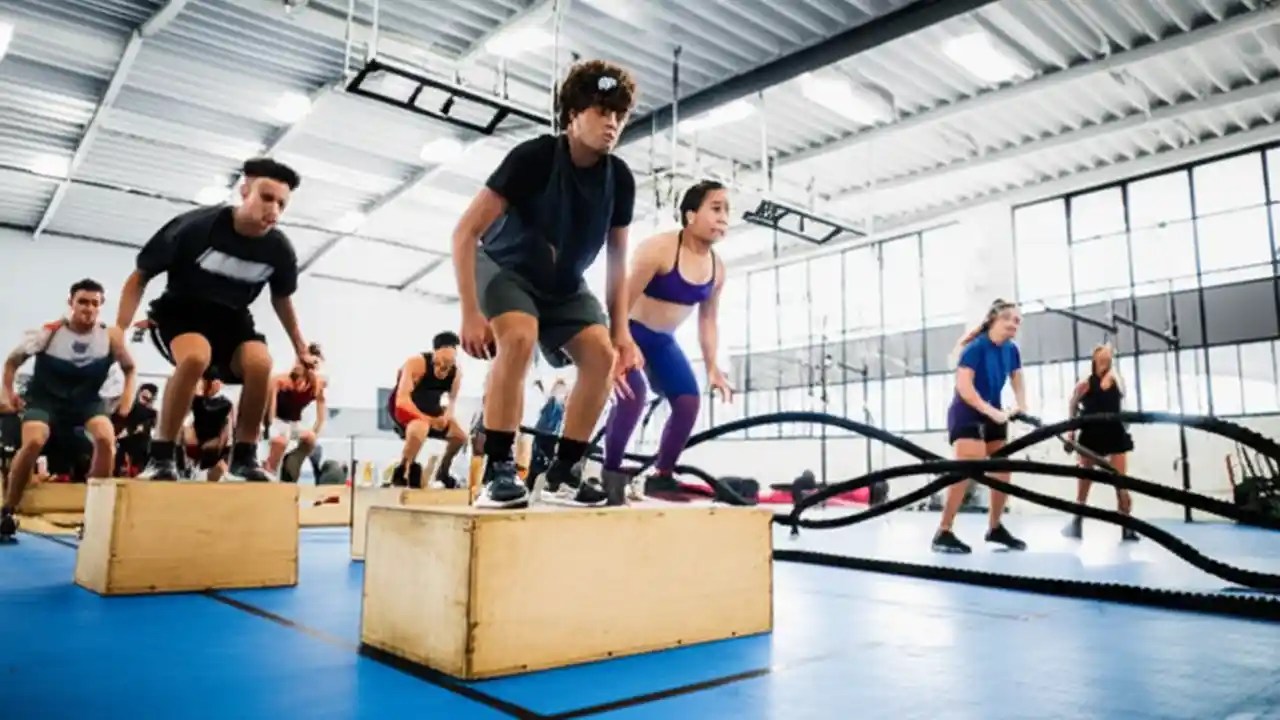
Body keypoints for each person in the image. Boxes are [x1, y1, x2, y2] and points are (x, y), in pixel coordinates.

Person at [452, 59, 642, 509]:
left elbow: (618, 261)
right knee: (520, 337)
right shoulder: (534, 158)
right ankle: (499, 470)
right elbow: (464, 233)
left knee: (601, 355)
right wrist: (470, 313)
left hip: (564, 285)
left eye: (619, 115)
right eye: (601, 111)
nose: (612, 123)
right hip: (505, 269)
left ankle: (563, 475)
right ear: (572, 114)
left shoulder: (620, 179)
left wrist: (621, 330)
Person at [114, 157, 316, 482]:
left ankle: (244, 457)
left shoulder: (278, 249)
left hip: (233, 320)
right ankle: (162, 456)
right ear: (244, 191)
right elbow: (140, 276)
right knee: (196, 357)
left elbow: (282, 299)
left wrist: (301, 348)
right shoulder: (196, 228)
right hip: (181, 312)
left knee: (261, 363)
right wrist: (120, 329)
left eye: (282, 204)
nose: (274, 210)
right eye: (267, 198)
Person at [602, 180, 735, 503]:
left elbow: (708, 320)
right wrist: (619, 345)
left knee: (688, 401)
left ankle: (662, 476)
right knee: (633, 397)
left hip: (662, 342)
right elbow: (620, 299)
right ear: (690, 215)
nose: (723, 217)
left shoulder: (717, 269)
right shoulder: (658, 250)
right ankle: (611, 472)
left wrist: (713, 366)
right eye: (716, 208)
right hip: (628, 331)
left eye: (727, 211)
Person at [1, 279, 137, 543]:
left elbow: (130, 368)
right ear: (71, 303)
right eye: (82, 302)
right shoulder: (49, 333)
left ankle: (94, 517)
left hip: (86, 402)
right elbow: (11, 362)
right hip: (45, 400)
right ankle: (7, 510)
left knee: (106, 439)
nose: (88, 308)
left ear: (101, 306)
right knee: (34, 441)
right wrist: (9, 393)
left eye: (94, 303)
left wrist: (126, 401)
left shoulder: (110, 337)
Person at [933, 299, 1028, 554]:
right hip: (967, 411)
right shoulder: (975, 347)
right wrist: (992, 412)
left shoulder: (1012, 350)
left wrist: (1021, 404)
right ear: (994, 320)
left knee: (1002, 467)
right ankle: (943, 531)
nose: (1014, 324)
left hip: (993, 411)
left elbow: (1017, 378)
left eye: (1017, 321)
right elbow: (965, 388)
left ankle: (995, 527)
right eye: (1008, 319)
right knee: (968, 466)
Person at [1063, 343, 1139, 541]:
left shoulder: (1116, 379)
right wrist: (1071, 434)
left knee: (1121, 482)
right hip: (1091, 435)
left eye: (1108, 357)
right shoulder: (1085, 383)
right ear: (1095, 359)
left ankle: (1127, 526)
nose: (1105, 360)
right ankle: (1077, 523)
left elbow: (1119, 392)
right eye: (1102, 357)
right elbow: (1072, 404)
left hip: (1114, 434)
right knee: (1084, 482)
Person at [388, 332, 468, 489]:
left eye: (448, 364)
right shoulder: (416, 364)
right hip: (405, 408)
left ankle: (443, 471)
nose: (442, 369)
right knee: (420, 428)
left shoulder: (455, 374)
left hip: (431, 409)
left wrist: (445, 417)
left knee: (459, 437)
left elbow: (451, 403)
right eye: (440, 363)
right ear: (434, 355)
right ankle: (403, 468)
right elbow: (402, 401)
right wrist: (428, 420)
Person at [264, 344, 327, 483]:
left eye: (312, 366)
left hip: (293, 425)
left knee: (310, 438)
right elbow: (270, 411)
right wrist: (270, 429)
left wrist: (315, 433)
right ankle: (269, 473)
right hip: (277, 422)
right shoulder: (280, 381)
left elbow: (321, 417)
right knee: (280, 442)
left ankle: (292, 462)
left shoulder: (316, 386)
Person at [183, 378, 234, 482]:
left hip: (211, 448)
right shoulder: (195, 403)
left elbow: (227, 429)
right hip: (198, 447)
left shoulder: (225, 403)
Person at [114, 383, 158, 476]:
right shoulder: (129, 408)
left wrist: (128, 431)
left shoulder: (152, 413)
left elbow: (144, 427)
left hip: (138, 442)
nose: (144, 401)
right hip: (125, 441)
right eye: (143, 397)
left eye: (148, 399)